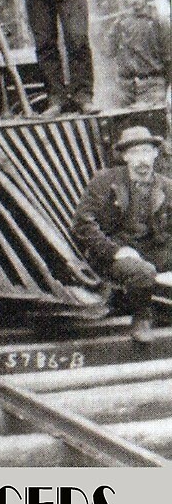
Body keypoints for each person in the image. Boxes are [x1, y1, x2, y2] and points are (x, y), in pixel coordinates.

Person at [71, 126, 171, 342]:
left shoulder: (166, 187)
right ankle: (142, 317)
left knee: (149, 267)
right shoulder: (106, 181)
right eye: (135, 153)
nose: (142, 159)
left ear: (155, 153)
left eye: (146, 151)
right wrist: (115, 251)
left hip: (153, 251)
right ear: (125, 156)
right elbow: (82, 224)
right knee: (143, 272)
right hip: (111, 255)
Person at [105, 0, 170, 108]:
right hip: (125, 87)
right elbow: (109, 52)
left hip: (152, 85)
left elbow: (169, 58)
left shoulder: (159, 21)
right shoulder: (120, 22)